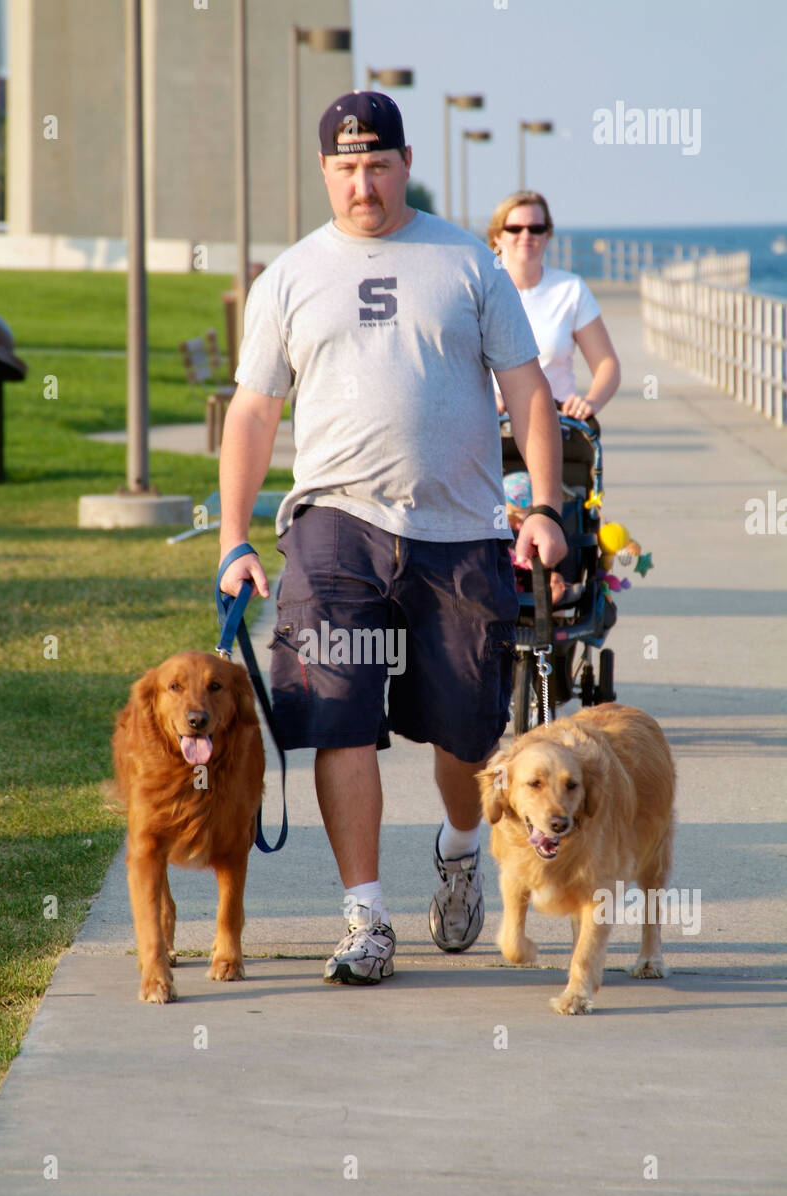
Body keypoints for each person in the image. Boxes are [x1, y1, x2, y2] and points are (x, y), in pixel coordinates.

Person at [218, 92, 566, 986]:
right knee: (338, 716)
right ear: (324, 171)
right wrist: (234, 538)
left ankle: (457, 852)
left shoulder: (465, 262)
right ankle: (366, 918)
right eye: (344, 167)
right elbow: (254, 413)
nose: (362, 183)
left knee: (464, 735)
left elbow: (528, 389)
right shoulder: (291, 276)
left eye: (377, 165)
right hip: (334, 528)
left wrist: (548, 512)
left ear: (405, 162)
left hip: (458, 530)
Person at [487, 191, 621, 421]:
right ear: (498, 236)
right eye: (515, 228)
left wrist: (590, 403)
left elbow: (607, 364)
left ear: (547, 235)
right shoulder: (480, 290)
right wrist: (486, 397)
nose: (526, 235)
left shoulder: (570, 289)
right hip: (493, 429)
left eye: (536, 228)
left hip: (557, 425)